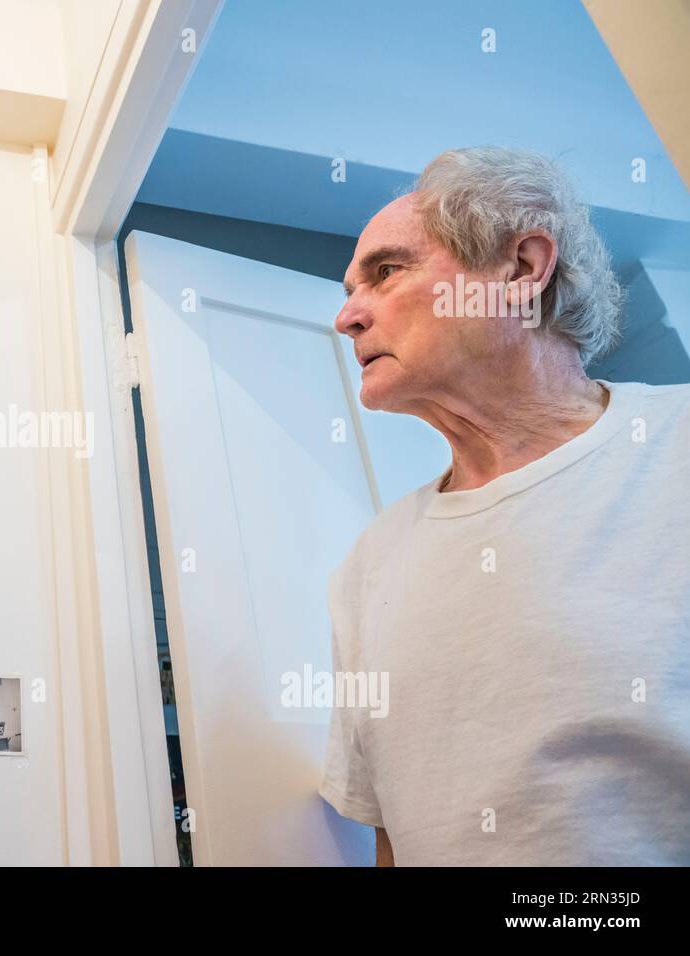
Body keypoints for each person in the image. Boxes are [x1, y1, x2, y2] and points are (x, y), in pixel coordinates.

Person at [319, 147, 690, 866]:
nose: (346, 317)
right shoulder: (370, 564)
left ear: (520, 269)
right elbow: (389, 833)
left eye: (386, 272)